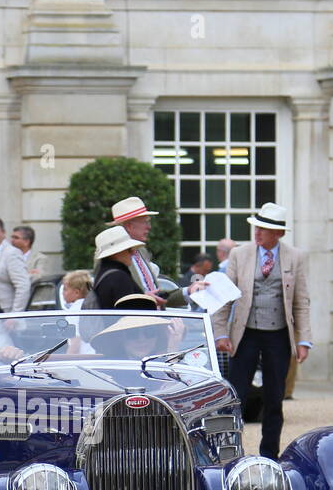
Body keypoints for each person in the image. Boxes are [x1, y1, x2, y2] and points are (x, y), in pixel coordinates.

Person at [213, 203, 312, 460]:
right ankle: (229, 454)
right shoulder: (239, 254)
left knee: (274, 397)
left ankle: (269, 455)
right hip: (245, 333)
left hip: (278, 334)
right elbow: (225, 296)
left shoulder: (296, 257)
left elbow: (301, 301)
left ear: (278, 233)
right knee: (236, 396)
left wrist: (304, 340)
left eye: (264, 229)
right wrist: (220, 333)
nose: (257, 232)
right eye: (257, 227)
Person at [108, 196, 200, 307]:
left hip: (153, 321)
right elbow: (111, 298)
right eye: (145, 222)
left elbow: (157, 297)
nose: (149, 227)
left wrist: (189, 291)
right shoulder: (112, 256)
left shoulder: (141, 251)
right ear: (129, 226)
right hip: (132, 322)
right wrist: (143, 298)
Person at [92, 226, 154, 310]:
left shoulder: (105, 274)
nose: (132, 253)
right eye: (129, 249)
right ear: (116, 253)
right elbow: (130, 315)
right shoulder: (119, 278)